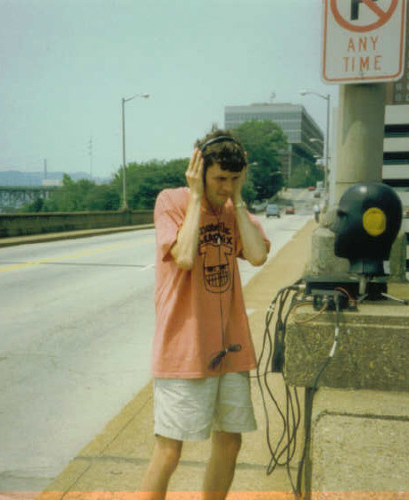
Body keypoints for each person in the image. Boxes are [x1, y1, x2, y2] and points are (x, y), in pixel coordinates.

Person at [140, 130, 270, 499]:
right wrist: (197, 197)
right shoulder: (171, 201)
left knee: (230, 442)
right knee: (169, 450)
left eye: (234, 179)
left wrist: (238, 200)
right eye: (219, 179)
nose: (226, 187)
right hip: (184, 347)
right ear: (199, 170)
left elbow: (258, 255)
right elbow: (183, 256)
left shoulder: (233, 209)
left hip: (230, 347)